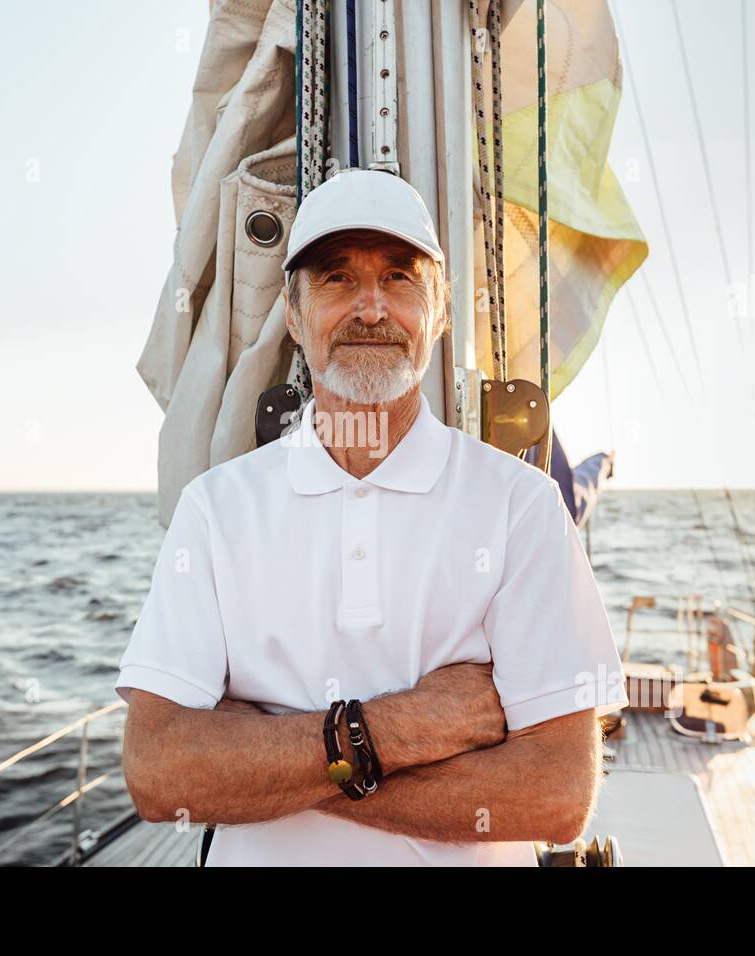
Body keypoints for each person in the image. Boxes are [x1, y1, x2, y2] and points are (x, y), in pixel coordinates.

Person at [115, 167, 628, 865]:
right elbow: (162, 773)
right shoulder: (216, 510)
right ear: (294, 317)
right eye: (335, 278)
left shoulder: (521, 507)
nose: (370, 308)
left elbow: (555, 795)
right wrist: (400, 729)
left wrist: (261, 760)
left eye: (398, 278)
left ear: (441, 311)